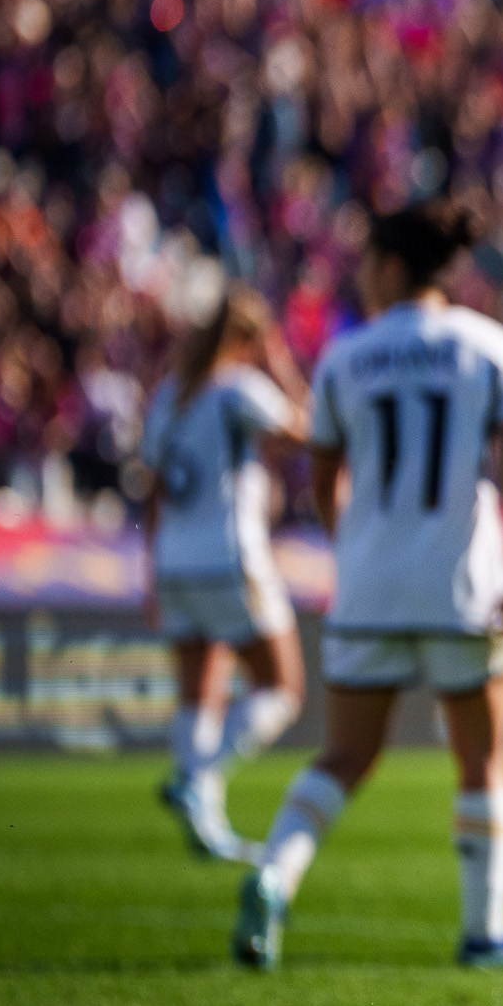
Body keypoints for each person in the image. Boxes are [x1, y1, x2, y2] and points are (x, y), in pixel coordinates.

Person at [232, 202, 503, 973]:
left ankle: (274, 877)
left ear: (387, 266)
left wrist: (356, 540)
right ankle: (486, 935)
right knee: (482, 764)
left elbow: (321, 474)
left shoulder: (348, 356)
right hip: (464, 583)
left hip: (370, 582)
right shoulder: (491, 348)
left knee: (344, 753)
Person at [139, 287, 312, 861]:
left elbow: (154, 489)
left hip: (172, 560)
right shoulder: (239, 388)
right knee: (282, 688)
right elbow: (308, 432)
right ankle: (197, 778)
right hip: (229, 556)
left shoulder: (169, 395)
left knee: (199, 689)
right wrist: (281, 363)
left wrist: (150, 572)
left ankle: (205, 825)